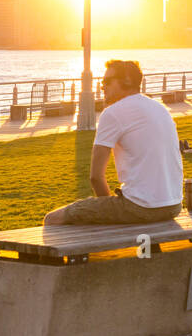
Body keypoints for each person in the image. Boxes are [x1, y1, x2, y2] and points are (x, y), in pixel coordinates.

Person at [44, 60, 182, 225]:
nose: (103, 87)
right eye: (102, 82)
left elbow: (95, 176)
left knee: (52, 219)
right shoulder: (159, 108)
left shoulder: (112, 113)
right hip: (173, 206)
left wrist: (106, 211)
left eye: (108, 81)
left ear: (127, 81)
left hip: (140, 207)